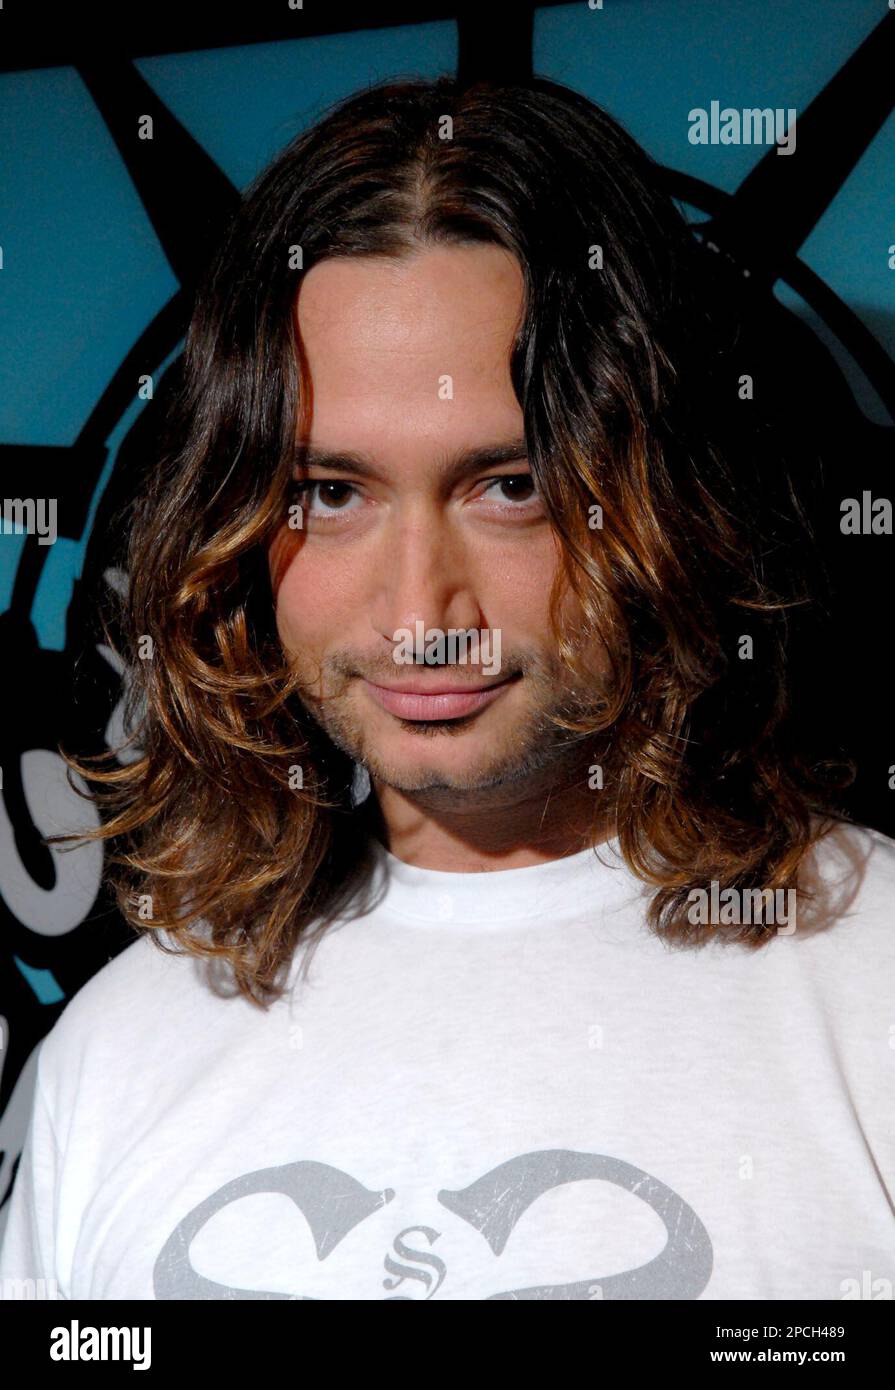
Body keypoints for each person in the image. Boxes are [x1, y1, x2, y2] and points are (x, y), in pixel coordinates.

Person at [1, 75, 892, 1303]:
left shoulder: (874, 986)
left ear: (661, 492)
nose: (420, 615)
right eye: (330, 493)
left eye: (509, 485)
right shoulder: (113, 1052)